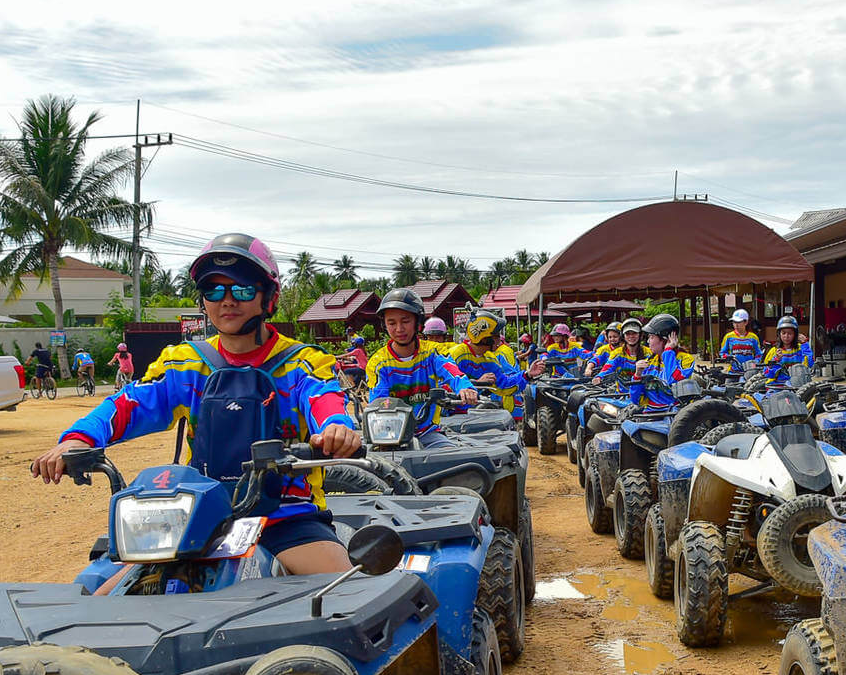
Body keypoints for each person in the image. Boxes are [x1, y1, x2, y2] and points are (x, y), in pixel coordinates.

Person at [29, 233, 361, 575]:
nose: (227, 301)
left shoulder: (303, 362)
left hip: (286, 517)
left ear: (268, 297)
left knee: (341, 587)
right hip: (197, 514)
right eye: (213, 290)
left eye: (242, 290)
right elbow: (127, 404)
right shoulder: (184, 363)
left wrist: (337, 429)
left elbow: (324, 400)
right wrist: (77, 440)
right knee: (101, 591)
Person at [367, 288, 481, 447]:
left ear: (418, 322)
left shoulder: (433, 352)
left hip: (428, 433)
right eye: (392, 323)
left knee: (452, 455)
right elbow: (378, 403)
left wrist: (465, 387)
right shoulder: (378, 363)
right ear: (384, 325)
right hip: (390, 437)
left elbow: (452, 372)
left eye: (405, 321)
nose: (399, 329)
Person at [446, 312, 527, 422]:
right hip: (446, 415)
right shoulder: (456, 354)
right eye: (496, 336)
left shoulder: (490, 359)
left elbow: (503, 385)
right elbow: (443, 386)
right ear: (483, 338)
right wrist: (477, 382)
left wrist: (527, 375)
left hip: (467, 414)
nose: (499, 340)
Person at [631, 314, 690, 414]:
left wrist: (668, 351)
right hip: (650, 414)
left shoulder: (686, 359)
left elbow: (672, 381)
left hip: (675, 414)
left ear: (666, 339)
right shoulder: (648, 362)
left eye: (651, 337)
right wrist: (637, 375)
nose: (648, 341)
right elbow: (635, 400)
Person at [594, 317, 648, 385]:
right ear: (623, 336)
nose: (631, 336)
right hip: (621, 390)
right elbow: (608, 367)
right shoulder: (617, 353)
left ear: (640, 335)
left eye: (634, 333)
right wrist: (599, 377)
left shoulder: (648, 353)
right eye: (627, 333)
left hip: (643, 389)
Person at [761, 315, 812, 381]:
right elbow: (767, 374)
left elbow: (810, 365)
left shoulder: (801, 349)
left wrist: (805, 345)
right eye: (783, 333)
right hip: (778, 385)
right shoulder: (774, 351)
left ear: (795, 334)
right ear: (779, 334)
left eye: (790, 333)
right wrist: (776, 360)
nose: (786, 336)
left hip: (797, 385)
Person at [719, 308, 762, 374]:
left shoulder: (753, 337)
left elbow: (759, 354)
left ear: (746, 322)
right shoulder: (728, 337)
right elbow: (722, 353)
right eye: (734, 322)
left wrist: (755, 362)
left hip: (749, 372)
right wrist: (728, 358)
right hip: (733, 371)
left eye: (738, 322)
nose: (736, 325)